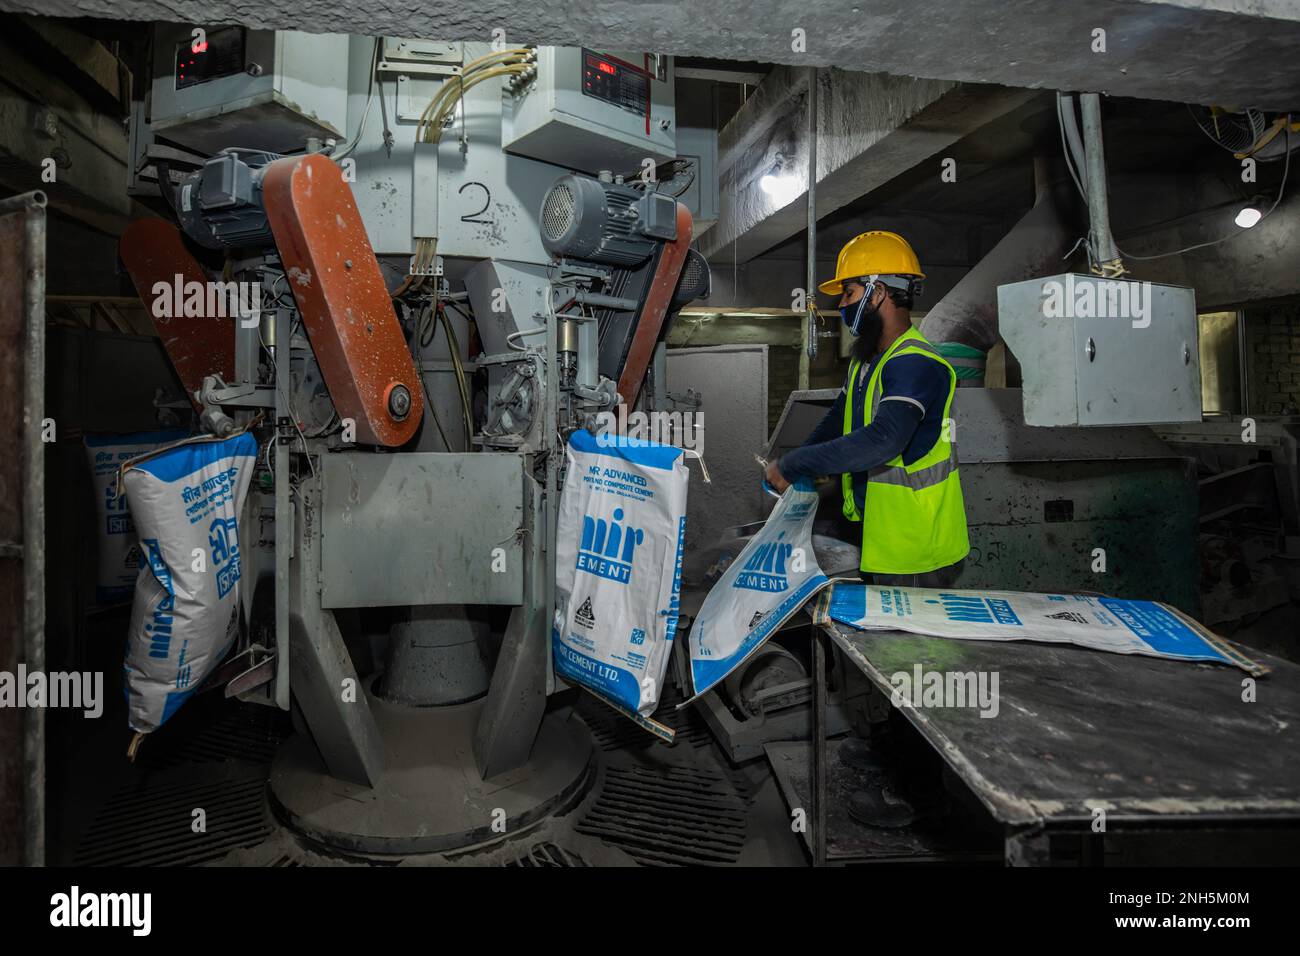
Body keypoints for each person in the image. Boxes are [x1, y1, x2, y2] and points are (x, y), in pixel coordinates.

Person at [763, 230, 970, 828]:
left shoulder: (916, 365)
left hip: (919, 548)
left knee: (917, 674)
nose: (841, 301)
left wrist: (796, 466)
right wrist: (789, 462)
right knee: (888, 665)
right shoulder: (871, 363)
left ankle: (919, 796)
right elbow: (840, 420)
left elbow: (884, 440)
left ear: (878, 290)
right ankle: (889, 748)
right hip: (883, 541)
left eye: (849, 288)